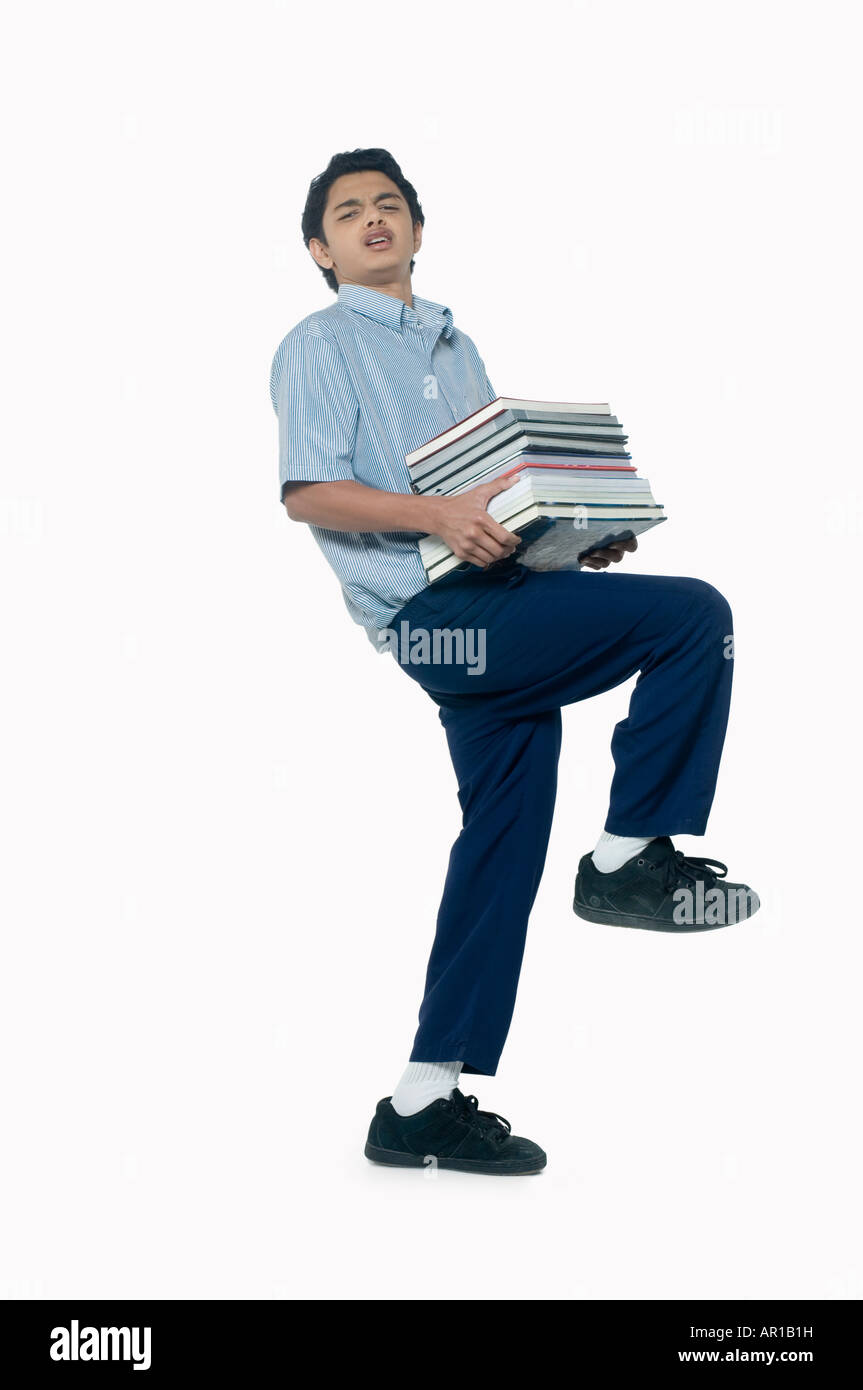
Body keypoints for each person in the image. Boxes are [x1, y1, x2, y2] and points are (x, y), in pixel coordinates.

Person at [270, 147, 760, 1177]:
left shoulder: (456, 346)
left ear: (413, 227)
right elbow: (308, 492)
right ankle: (628, 860)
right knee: (690, 618)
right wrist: (435, 515)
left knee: (499, 841)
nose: (371, 220)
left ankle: (418, 1103)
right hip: (435, 618)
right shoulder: (318, 343)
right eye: (348, 212)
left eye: (388, 205)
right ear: (319, 248)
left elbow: (488, 497)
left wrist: (575, 542)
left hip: (503, 594)